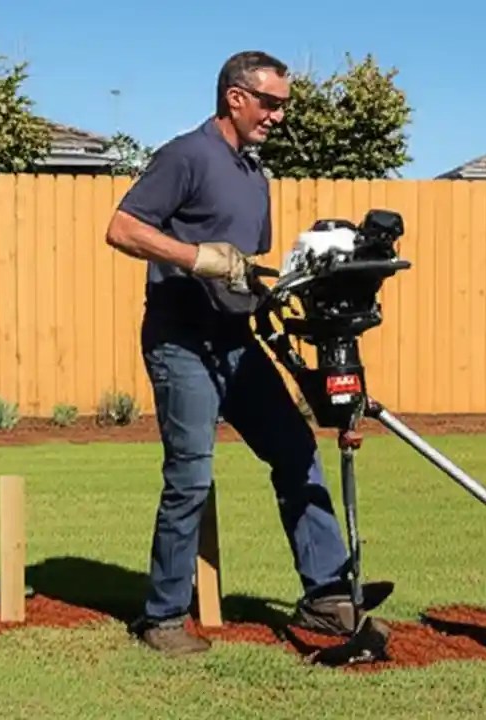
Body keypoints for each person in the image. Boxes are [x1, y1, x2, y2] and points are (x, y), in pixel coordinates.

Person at [104, 50, 383, 655]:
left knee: (295, 449)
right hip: (182, 341)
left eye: (283, 105)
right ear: (235, 97)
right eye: (270, 103)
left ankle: (328, 593)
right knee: (191, 476)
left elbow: (246, 268)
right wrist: (193, 255)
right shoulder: (187, 155)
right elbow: (123, 227)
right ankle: (163, 618)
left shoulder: (255, 176)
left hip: (238, 341)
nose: (279, 116)